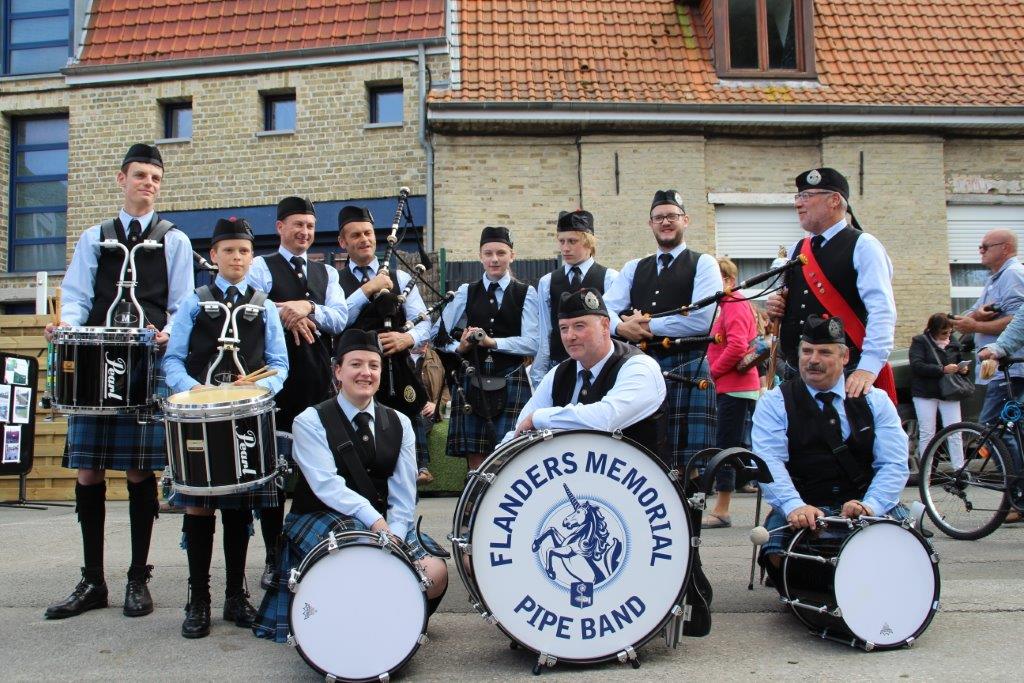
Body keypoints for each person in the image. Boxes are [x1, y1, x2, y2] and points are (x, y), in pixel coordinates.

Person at [44, 144, 195, 620]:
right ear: (121, 179)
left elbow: (183, 302)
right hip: (95, 362)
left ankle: (136, 578)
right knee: (88, 471)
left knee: (137, 471)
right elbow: (76, 294)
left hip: (146, 362)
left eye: (155, 177)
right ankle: (92, 580)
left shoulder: (175, 240)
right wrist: (67, 328)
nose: (147, 183)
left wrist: (171, 331)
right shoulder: (95, 237)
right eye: (140, 175)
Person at [253, 328, 449, 642]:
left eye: (373, 365)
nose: (365, 373)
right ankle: (347, 636)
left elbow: (403, 491)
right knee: (361, 556)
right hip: (319, 515)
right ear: (338, 371)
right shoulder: (310, 421)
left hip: (385, 521)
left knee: (435, 572)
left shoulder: (400, 423)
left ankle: (395, 627)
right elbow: (326, 485)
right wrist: (375, 522)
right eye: (356, 364)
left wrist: (396, 533)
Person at [162, 217, 289, 638]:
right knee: (198, 506)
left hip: (245, 417)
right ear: (213, 255)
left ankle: (236, 596)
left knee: (237, 508)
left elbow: (279, 366)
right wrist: (199, 393)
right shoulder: (193, 302)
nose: (237, 257)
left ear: (252, 258)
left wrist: (255, 392)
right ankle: (198, 600)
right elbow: (172, 360)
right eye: (229, 250)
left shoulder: (265, 305)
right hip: (200, 418)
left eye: (245, 251)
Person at [753, 315, 909, 588]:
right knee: (776, 554)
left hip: (863, 502)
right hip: (806, 503)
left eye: (824, 352)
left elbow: (894, 464)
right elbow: (769, 463)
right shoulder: (774, 402)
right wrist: (794, 506)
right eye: (807, 351)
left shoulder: (875, 400)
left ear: (845, 356)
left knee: (911, 549)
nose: (813, 359)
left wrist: (870, 505)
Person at [247, 196, 348, 589]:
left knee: (315, 473)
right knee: (273, 475)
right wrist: (283, 310)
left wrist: (306, 307)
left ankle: (309, 550)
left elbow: (339, 317)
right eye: (296, 225)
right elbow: (250, 309)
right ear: (280, 228)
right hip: (274, 384)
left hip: (317, 381)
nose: (304, 232)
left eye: (308, 225)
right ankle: (274, 557)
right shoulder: (260, 266)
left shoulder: (328, 274)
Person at [602, 190, 721, 470]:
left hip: (687, 367)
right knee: (640, 453)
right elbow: (604, 311)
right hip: (639, 368)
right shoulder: (633, 268)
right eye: (659, 217)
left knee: (687, 464)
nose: (665, 222)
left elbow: (702, 319)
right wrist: (620, 326)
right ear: (650, 224)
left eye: (672, 216)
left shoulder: (703, 264)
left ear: (686, 220)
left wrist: (645, 326)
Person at [765, 168, 897, 400]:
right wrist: (779, 307)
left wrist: (869, 367)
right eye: (798, 197)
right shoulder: (798, 248)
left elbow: (882, 310)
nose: (798, 204)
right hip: (798, 371)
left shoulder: (863, 245)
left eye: (807, 196)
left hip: (846, 372)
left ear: (834, 200)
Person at [505, 288, 667, 453]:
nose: (570, 336)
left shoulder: (639, 367)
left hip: (638, 475)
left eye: (579, 326)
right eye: (564, 328)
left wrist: (539, 418)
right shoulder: (558, 373)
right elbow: (521, 430)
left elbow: (606, 419)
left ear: (605, 326)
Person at [438, 226, 540, 470]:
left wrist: (493, 343)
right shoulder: (465, 292)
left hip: (512, 378)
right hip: (473, 379)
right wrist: (459, 347)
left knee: (512, 455)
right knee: (475, 458)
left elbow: (533, 343)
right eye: (488, 253)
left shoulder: (527, 293)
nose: (494, 259)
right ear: (480, 256)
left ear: (512, 256)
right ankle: (475, 506)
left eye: (501, 253)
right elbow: (437, 336)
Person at [336, 205, 432, 416]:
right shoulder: (333, 282)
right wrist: (368, 288)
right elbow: (337, 322)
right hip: (355, 380)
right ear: (343, 242)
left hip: (399, 376)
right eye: (356, 235)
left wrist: (407, 338)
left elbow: (425, 321)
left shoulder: (402, 278)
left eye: (368, 233)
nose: (364, 239)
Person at [702, 257, 761, 529]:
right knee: (728, 446)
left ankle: (723, 508)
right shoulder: (724, 305)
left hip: (734, 388)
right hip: (731, 387)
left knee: (725, 447)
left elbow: (737, 346)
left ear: (727, 280)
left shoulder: (734, 304)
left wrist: (711, 373)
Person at [530, 209, 618, 387]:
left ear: (589, 242)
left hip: (599, 367)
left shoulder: (610, 278)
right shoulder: (547, 282)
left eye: (572, 241)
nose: (565, 248)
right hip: (560, 366)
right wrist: (539, 374)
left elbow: (611, 329)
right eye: (561, 241)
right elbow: (545, 332)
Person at [954, 229, 1024, 446]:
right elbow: (964, 319)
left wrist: (976, 325)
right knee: (1005, 426)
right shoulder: (994, 278)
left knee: (991, 426)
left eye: (986, 246)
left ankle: (1014, 478)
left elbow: (1016, 318)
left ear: (1005, 248)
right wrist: (976, 319)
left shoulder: (1013, 274)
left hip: (1011, 368)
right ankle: (1014, 477)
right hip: (998, 364)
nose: (980, 251)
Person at [909, 313, 969, 468]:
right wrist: (942, 369)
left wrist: (963, 370)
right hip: (925, 393)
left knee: (956, 432)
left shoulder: (953, 342)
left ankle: (960, 471)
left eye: (950, 332)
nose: (948, 335)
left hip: (949, 392)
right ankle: (926, 473)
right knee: (927, 433)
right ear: (933, 330)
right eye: (944, 333)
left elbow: (958, 360)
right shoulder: (920, 341)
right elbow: (916, 365)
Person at [411, 341, 450, 484]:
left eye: (425, 340)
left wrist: (436, 405)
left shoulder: (435, 357)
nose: (424, 343)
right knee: (411, 418)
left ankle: (422, 469)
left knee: (417, 420)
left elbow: (446, 386)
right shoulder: (399, 358)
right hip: (404, 408)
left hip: (428, 410)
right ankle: (422, 468)